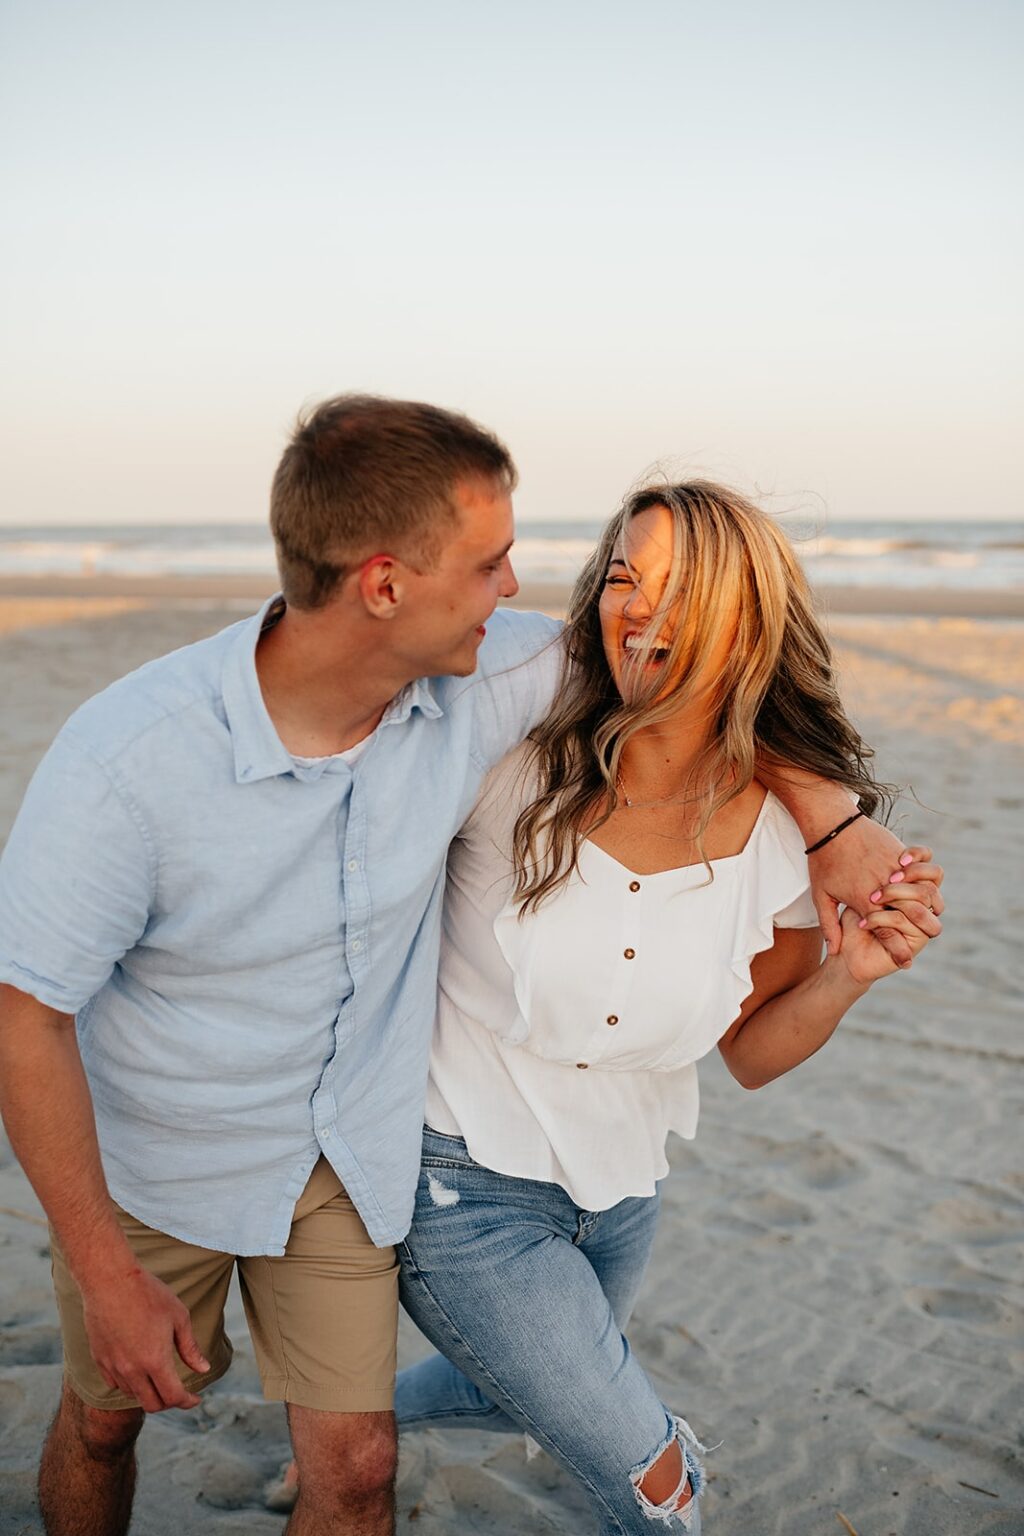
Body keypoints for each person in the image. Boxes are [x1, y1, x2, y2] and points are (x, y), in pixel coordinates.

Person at [0, 398, 923, 1536]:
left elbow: (700, 677)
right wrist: (101, 1272)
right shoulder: (130, 758)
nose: (527, 590)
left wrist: (832, 821)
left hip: (350, 1161)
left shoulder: (499, 676)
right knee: (103, 1420)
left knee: (357, 1469)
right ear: (385, 584)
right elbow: (25, 1014)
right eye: (491, 563)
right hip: (165, 1159)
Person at [386, 483, 943, 1534]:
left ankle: (344, 1423)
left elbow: (749, 1053)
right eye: (623, 577)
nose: (638, 609)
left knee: (501, 1385)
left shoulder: (788, 835)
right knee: (656, 1490)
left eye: (682, 588)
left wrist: (849, 973)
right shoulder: (507, 761)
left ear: (747, 615)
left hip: (624, 1198)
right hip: (460, 1187)